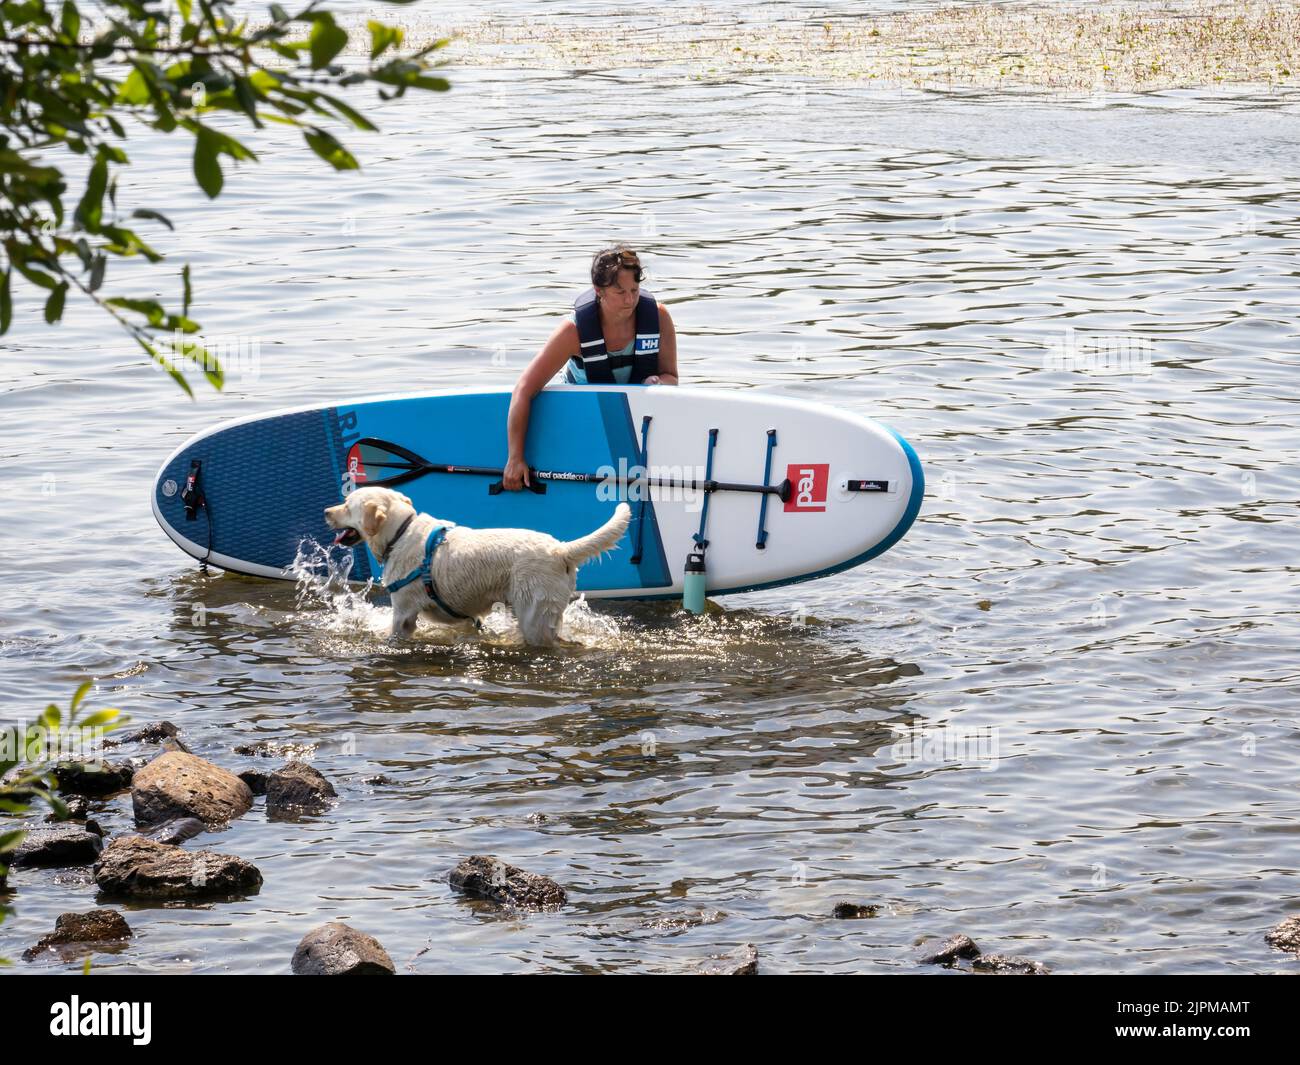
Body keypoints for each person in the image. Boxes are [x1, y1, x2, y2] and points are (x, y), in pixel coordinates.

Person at [502, 245, 678, 491]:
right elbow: (523, 389)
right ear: (599, 291)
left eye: (634, 291)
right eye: (619, 292)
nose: (629, 300)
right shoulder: (572, 332)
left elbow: (671, 377)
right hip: (580, 415)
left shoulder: (658, 318)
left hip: (633, 413)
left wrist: (659, 384)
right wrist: (515, 458)